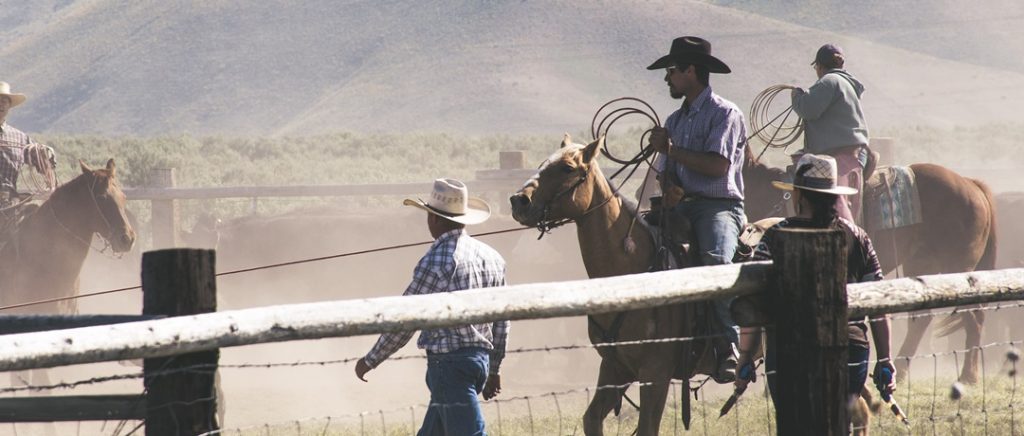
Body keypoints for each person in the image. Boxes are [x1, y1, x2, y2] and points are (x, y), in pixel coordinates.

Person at [733, 154, 895, 419]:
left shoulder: (774, 237)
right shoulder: (858, 236)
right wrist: (886, 360)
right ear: (833, 195)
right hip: (850, 349)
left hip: (787, 352)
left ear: (798, 195)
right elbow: (878, 303)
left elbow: (754, 303)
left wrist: (745, 356)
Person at [355, 178, 508, 436]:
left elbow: (407, 319)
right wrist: (494, 369)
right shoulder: (492, 257)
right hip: (478, 362)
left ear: (434, 219)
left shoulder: (436, 260)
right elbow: (502, 320)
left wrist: (372, 359)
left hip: (449, 366)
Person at [646, 36, 748, 382]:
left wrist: (671, 151)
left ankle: (726, 345)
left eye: (671, 71)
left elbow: (718, 166)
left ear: (691, 71)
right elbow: (665, 171)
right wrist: (669, 185)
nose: (667, 78)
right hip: (682, 207)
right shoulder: (674, 120)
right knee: (640, 248)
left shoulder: (726, 113)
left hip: (718, 207)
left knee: (716, 261)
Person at [790, 44, 869, 223]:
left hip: (838, 157)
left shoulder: (829, 81)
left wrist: (796, 97)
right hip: (854, 153)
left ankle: (844, 237)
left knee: (834, 205)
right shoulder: (847, 83)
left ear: (819, 66)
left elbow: (808, 109)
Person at [0, 81, 56, 208]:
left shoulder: (19, 138)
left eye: (4, 101)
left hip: (9, 203)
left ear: (9, 106)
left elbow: (40, 158)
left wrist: (49, 175)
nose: (1, 104)